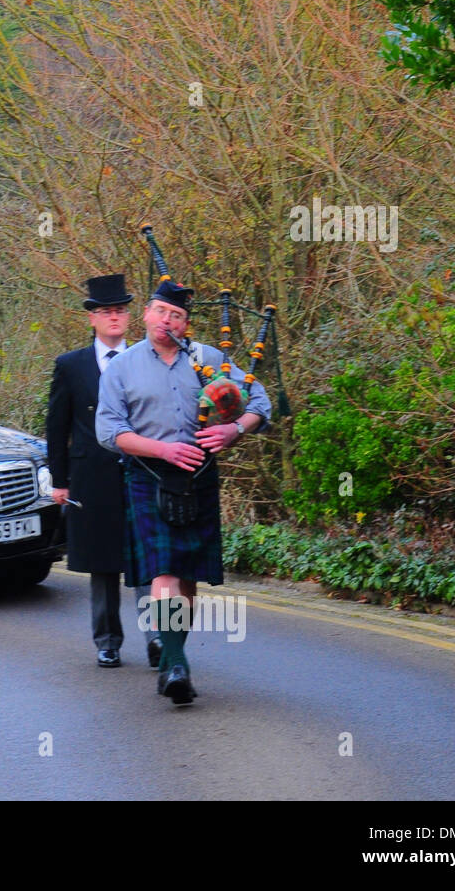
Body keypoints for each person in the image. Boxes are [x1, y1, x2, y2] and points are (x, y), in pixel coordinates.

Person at [95, 280, 270, 704]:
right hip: (149, 475)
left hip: (200, 475)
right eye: (159, 311)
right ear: (146, 315)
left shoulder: (210, 359)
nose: (166, 321)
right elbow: (108, 431)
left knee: (188, 580)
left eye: (175, 315)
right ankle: (176, 666)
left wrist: (233, 429)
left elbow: (259, 405)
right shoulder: (122, 367)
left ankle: (173, 651)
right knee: (165, 572)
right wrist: (162, 450)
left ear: (186, 322)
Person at [47, 275, 156, 669]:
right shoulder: (70, 366)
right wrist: (59, 481)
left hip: (144, 472)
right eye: (106, 312)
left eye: (121, 310)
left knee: (150, 559)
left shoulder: (148, 359)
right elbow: (56, 427)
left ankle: (158, 638)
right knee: (103, 564)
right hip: (92, 477)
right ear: (92, 318)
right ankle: (107, 641)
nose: (115, 317)